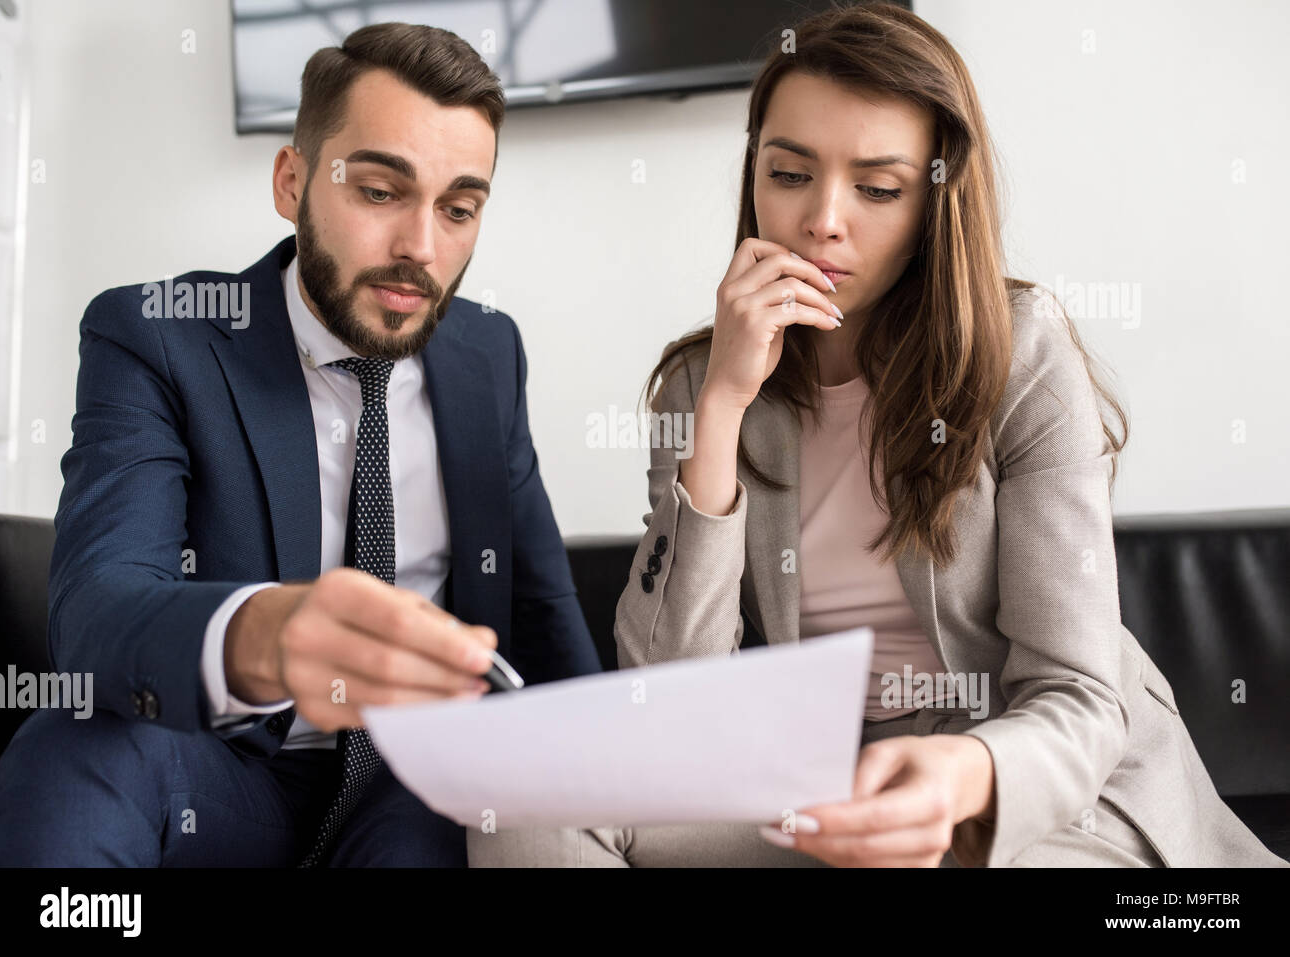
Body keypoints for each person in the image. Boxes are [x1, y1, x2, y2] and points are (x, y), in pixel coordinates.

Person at [466, 1, 1288, 868]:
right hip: (827, 768)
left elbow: (1076, 698)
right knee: (520, 798)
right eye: (789, 174)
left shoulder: (1022, 353)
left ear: (936, 200)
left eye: (879, 187)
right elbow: (671, 701)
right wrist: (721, 411)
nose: (824, 218)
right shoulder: (700, 382)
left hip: (1038, 781)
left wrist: (960, 774)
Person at [0, 22, 600, 867]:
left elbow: (541, 620)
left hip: (415, 786)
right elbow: (96, 610)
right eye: (381, 191)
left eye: (458, 209)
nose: (421, 248)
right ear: (293, 180)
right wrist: (267, 634)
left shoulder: (488, 354)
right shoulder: (158, 337)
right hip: (218, 771)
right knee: (72, 747)